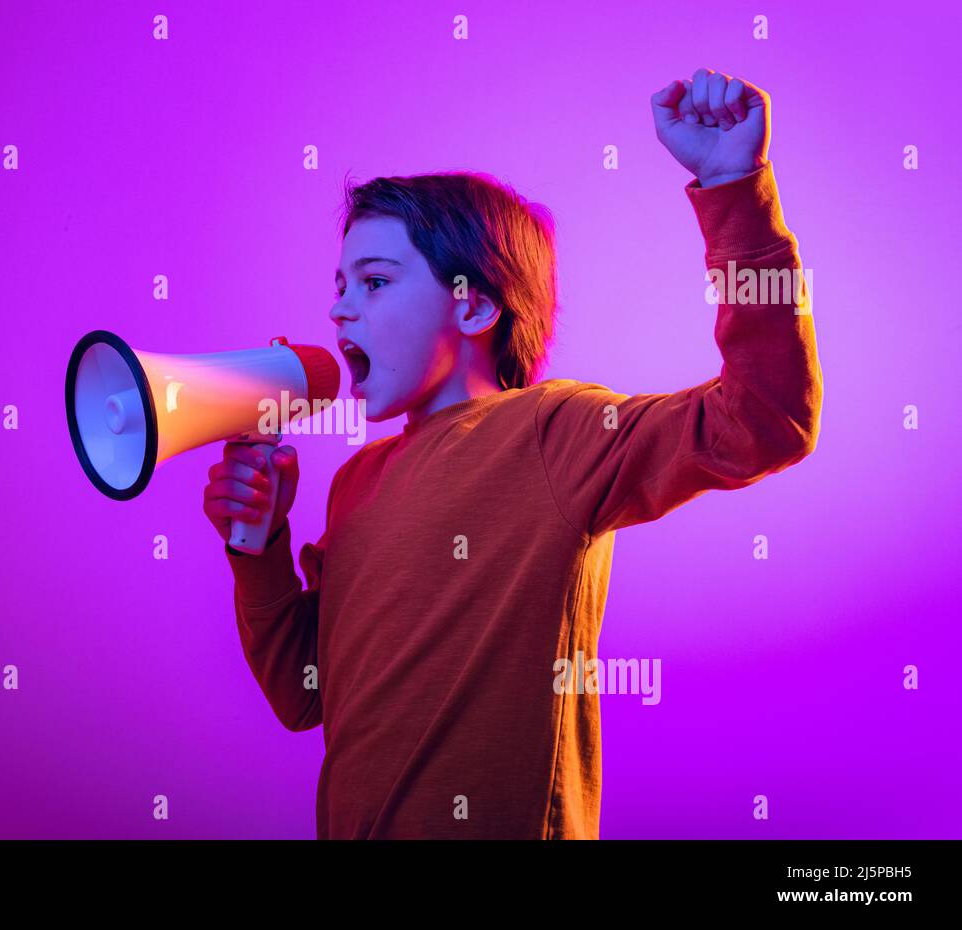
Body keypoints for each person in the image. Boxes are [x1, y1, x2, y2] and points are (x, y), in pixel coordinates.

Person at [203, 68, 822, 839]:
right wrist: (259, 550)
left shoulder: (555, 431)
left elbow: (765, 418)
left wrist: (733, 188)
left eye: (375, 280)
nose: (338, 307)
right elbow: (305, 696)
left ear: (474, 303)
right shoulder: (356, 482)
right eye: (339, 284)